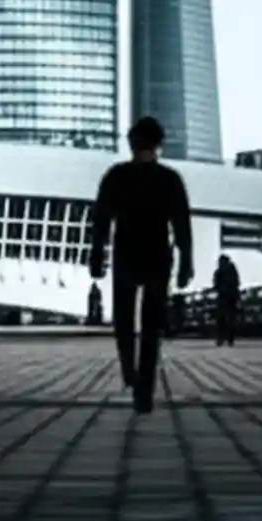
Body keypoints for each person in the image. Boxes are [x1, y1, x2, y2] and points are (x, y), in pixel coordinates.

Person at [89, 116, 194, 414]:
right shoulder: (170, 179)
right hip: (158, 256)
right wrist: (186, 261)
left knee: (123, 321)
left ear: (131, 143)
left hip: (126, 254)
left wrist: (97, 255)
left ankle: (130, 373)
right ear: (159, 145)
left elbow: (101, 220)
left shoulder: (116, 176)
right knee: (151, 326)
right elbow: (182, 224)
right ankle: (145, 388)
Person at [212, 254, 241, 346]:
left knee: (227, 319)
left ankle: (226, 338)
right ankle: (226, 338)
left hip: (228, 297)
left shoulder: (226, 272)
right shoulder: (220, 272)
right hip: (226, 297)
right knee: (224, 319)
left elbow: (236, 283)